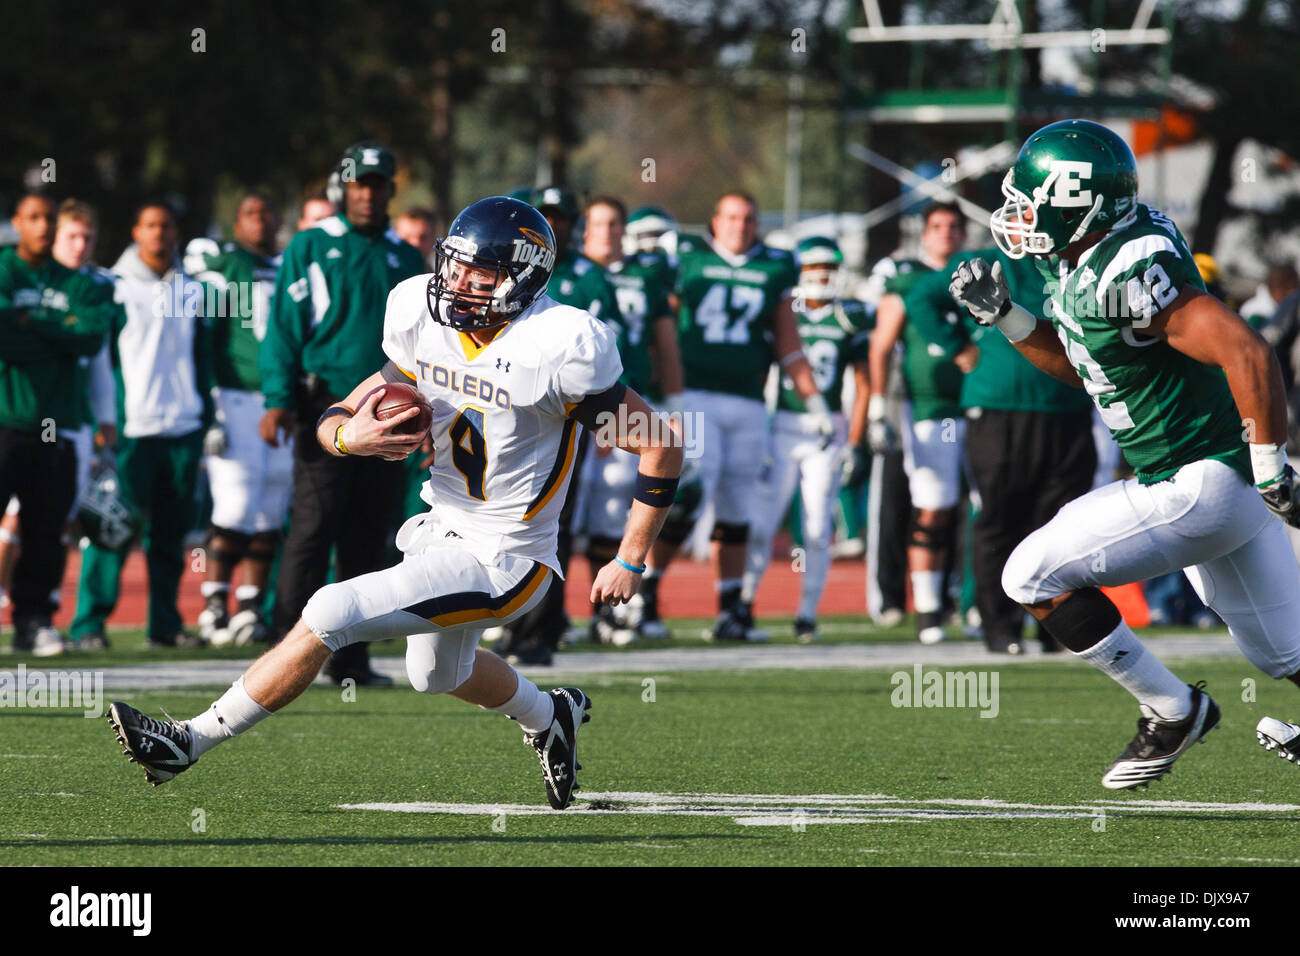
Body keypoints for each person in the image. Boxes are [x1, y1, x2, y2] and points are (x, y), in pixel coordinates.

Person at [106, 196, 684, 813]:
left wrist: (630, 558)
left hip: (508, 557)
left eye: (477, 273)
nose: (456, 284)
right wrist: (345, 435)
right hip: (440, 528)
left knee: (332, 607)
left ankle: (188, 741)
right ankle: (551, 716)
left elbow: (662, 445)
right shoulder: (420, 312)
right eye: (453, 266)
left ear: (523, 277)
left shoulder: (560, 343)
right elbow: (353, 402)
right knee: (436, 675)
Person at [949, 118, 1300, 788]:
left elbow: (1245, 350)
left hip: (1197, 483)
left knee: (1028, 575)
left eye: (1029, 201)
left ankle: (1174, 708)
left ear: (1074, 203)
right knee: (1284, 653)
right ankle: (1178, 709)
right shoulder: (1090, 254)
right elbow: (1087, 363)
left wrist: (1271, 468)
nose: (1016, 216)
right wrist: (1007, 317)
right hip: (1223, 486)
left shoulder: (1127, 269)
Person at [259, 142, 427, 685]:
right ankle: (286, 654)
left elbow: (428, 343)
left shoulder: (404, 254)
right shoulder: (310, 245)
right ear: (341, 188)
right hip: (328, 405)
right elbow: (283, 325)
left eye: (377, 185)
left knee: (369, 535)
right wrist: (277, 398)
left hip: (394, 409)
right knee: (311, 530)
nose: (367, 194)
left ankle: (352, 660)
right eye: (359, 184)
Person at [632, 191, 830, 642]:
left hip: (748, 400)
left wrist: (815, 403)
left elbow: (788, 343)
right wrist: (669, 393)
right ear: (715, 222)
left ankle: (731, 610)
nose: (741, 226)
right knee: (687, 495)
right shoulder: (685, 258)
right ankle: (646, 600)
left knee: (739, 506)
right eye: (732, 218)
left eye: (749, 219)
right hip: (695, 395)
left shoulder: (776, 265)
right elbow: (662, 327)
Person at [905, 247, 1096, 653]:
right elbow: (921, 296)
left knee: (1065, 523)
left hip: (1068, 405)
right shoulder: (987, 260)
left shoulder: (1082, 262)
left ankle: (1060, 626)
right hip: (998, 406)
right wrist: (956, 345)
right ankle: (1000, 625)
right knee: (1000, 517)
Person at [488, 186, 623, 665]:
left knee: (549, 519)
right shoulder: (506, 268)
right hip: (503, 409)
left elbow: (609, 357)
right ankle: (513, 621)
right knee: (501, 514)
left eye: (560, 219)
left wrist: (607, 420)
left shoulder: (587, 276)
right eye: (545, 218)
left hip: (565, 413)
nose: (554, 226)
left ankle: (539, 629)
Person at [70, 201, 212, 649]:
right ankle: (89, 625)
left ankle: (165, 627)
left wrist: (205, 416)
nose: (158, 233)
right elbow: (100, 360)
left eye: (166, 226)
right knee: (112, 529)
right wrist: (103, 420)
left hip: (183, 428)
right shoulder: (115, 285)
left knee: (171, 536)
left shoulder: (193, 288)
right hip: (132, 429)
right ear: (136, 231)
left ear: (176, 233)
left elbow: (201, 359)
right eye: (150, 225)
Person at [741, 236, 872, 643]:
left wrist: (854, 439)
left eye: (828, 269)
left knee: (817, 526)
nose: (821, 276)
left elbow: (864, 385)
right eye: (814, 268)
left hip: (825, 431)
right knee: (761, 524)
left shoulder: (850, 317)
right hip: (781, 426)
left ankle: (807, 614)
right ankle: (743, 603)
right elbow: (765, 375)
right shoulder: (785, 314)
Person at [0, 193, 115, 655]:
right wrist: (55, 330)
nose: (43, 227)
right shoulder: (6, 270)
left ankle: (33, 621)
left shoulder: (80, 282)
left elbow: (89, 336)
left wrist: (30, 323)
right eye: (34, 218)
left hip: (58, 424)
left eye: (49, 219)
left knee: (47, 530)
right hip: (6, 418)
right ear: (18, 223)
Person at [576, 195, 684, 644]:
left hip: (627, 402)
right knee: (566, 512)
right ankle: (537, 614)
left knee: (617, 506)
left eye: (613, 224)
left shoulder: (647, 275)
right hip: (571, 406)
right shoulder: (571, 273)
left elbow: (665, 342)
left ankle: (612, 609)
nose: (605, 233)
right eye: (597, 224)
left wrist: (676, 407)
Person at [184, 194, 289, 646]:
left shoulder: (289, 264)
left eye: (267, 212)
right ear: (236, 222)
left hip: (278, 400)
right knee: (234, 506)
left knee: (271, 507)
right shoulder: (225, 262)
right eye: (250, 214)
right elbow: (201, 333)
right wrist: (209, 406)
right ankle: (212, 605)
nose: (260, 221)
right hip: (233, 395)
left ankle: (248, 606)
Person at [868, 208, 975, 645]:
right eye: (937, 227)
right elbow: (880, 345)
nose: (945, 234)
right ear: (924, 234)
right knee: (934, 507)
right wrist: (879, 407)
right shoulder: (907, 279)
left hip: (980, 406)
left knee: (988, 510)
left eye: (953, 227)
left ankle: (977, 605)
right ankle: (928, 609)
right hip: (929, 410)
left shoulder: (979, 274)